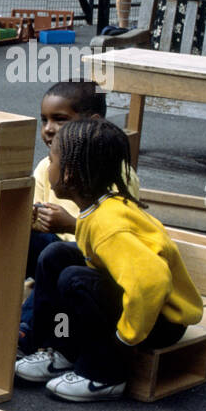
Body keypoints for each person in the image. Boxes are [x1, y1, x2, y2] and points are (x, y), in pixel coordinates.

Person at [14, 118, 201, 402]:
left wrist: (124, 338)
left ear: (69, 175)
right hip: (139, 305)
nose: (47, 167)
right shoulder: (97, 209)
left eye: (52, 161)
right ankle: (62, 351)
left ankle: (104, 375)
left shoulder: (109, 223)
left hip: (160, 320)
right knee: (56, 255)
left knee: (75, 280)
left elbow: (152, 282)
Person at [18, 80, 140, 355]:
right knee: (17, 237)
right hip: (53, 253)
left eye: (60, 120)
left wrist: (71, 225)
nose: (48, 129)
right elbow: (33, 214)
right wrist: (32, 220)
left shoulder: (117, 175)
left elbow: (118, 238)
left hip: (95, 261)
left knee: (54, 252)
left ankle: (29, 332)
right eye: (45, 120)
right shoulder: (46, 167)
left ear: (92, 123)